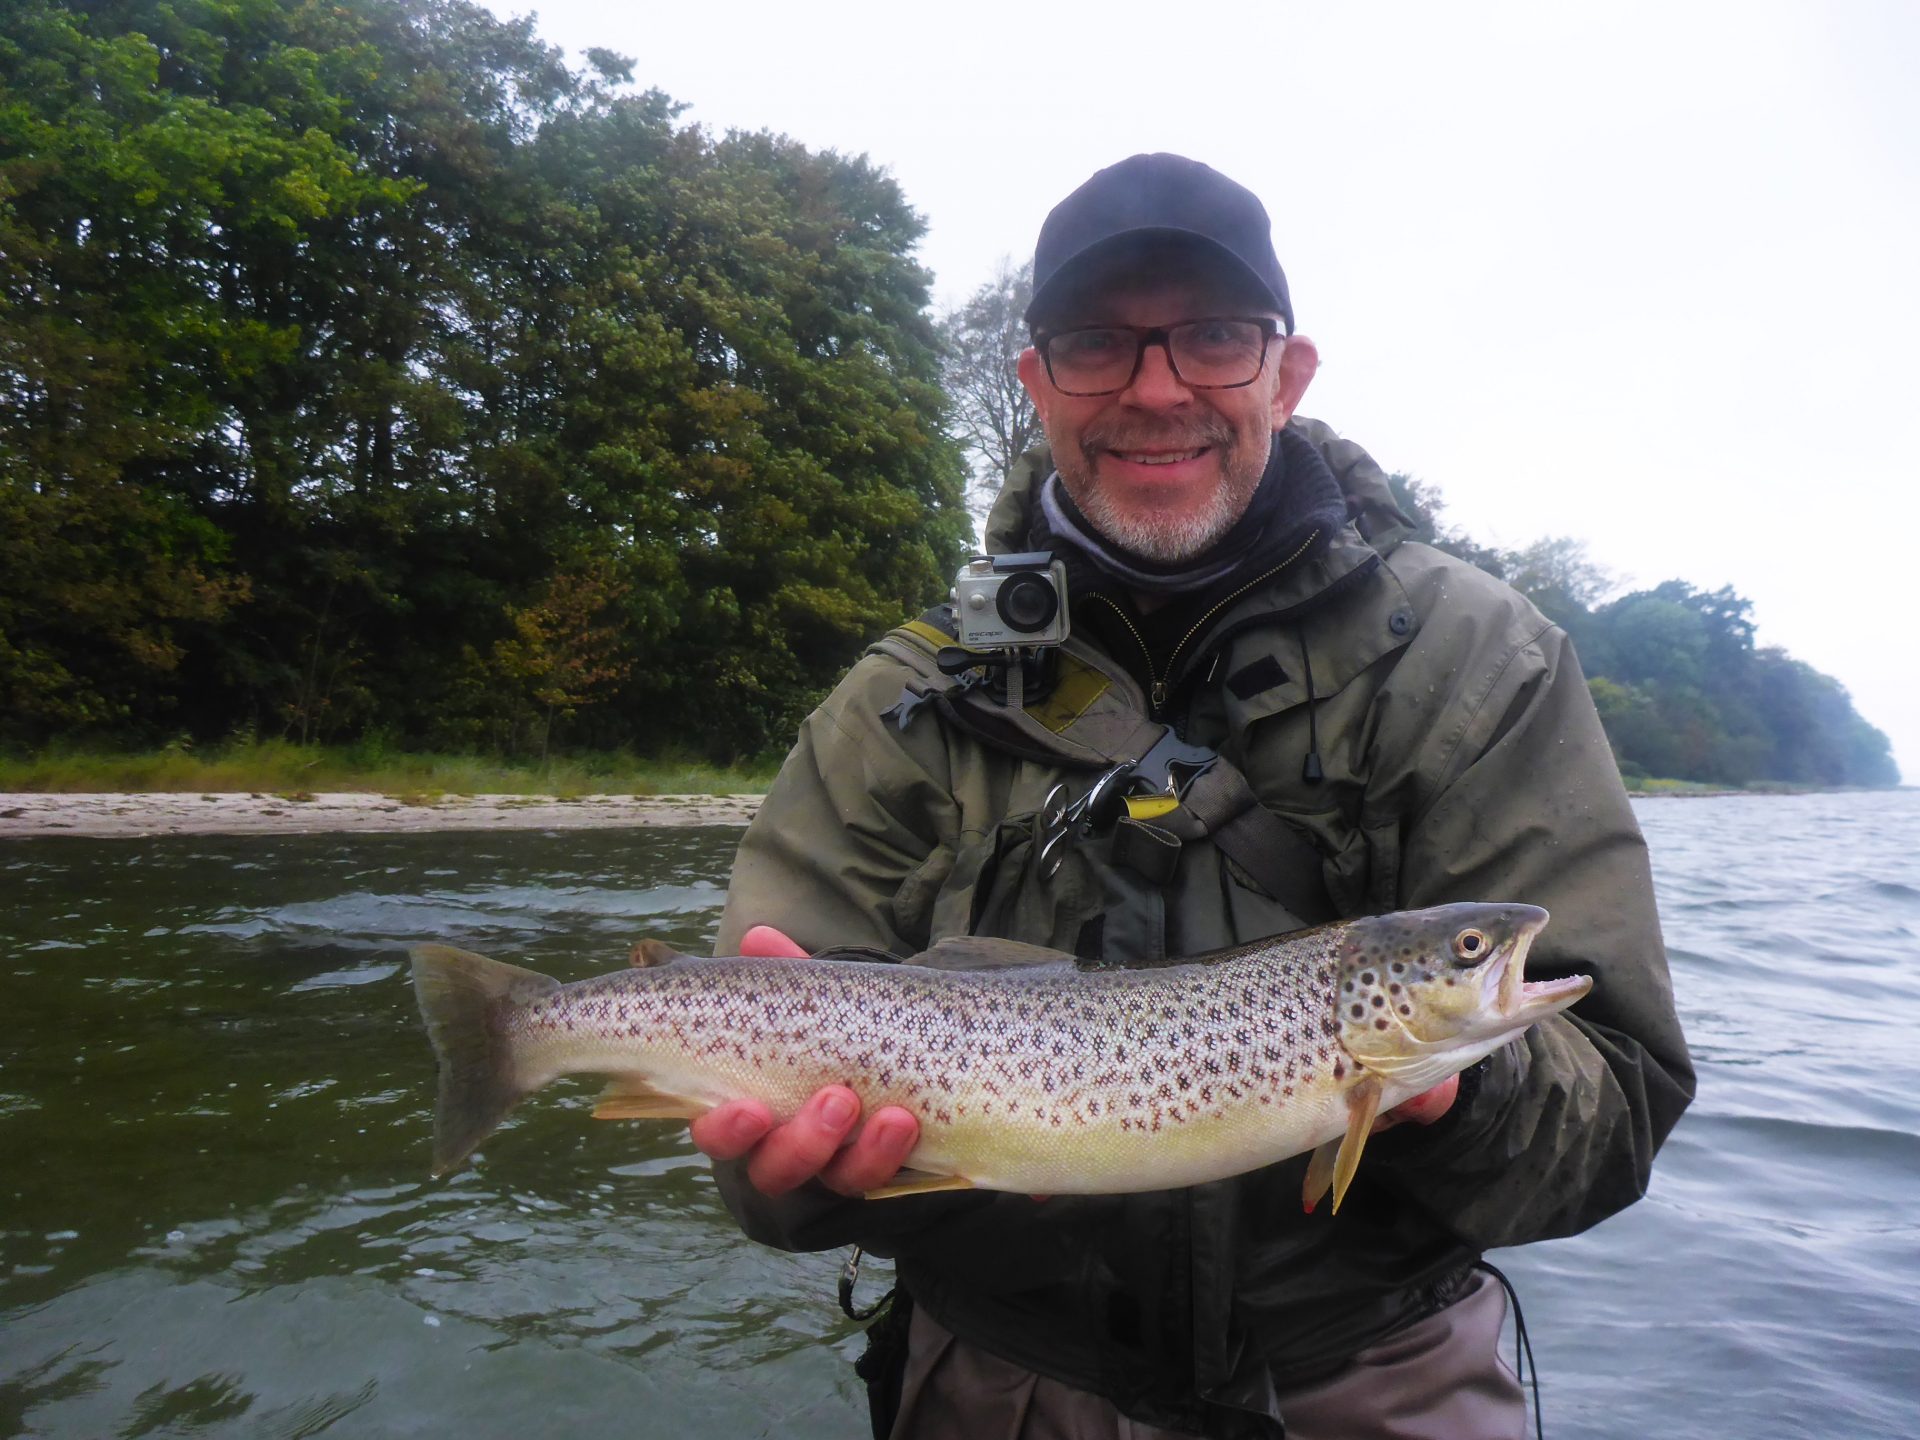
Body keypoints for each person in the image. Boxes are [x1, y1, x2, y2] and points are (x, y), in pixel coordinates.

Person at [689, 153, 1694, 1439]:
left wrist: (1456, 1085)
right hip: (993, 1389)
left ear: (1288, 371)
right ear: (1036, 382)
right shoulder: (905, 696)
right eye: (1100, 344)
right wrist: (802, 1182)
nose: (1157, 390)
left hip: (1377, 1380)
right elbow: (759, 1186)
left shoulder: (1475, 662)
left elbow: (1613, 1123)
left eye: (1216, 338)